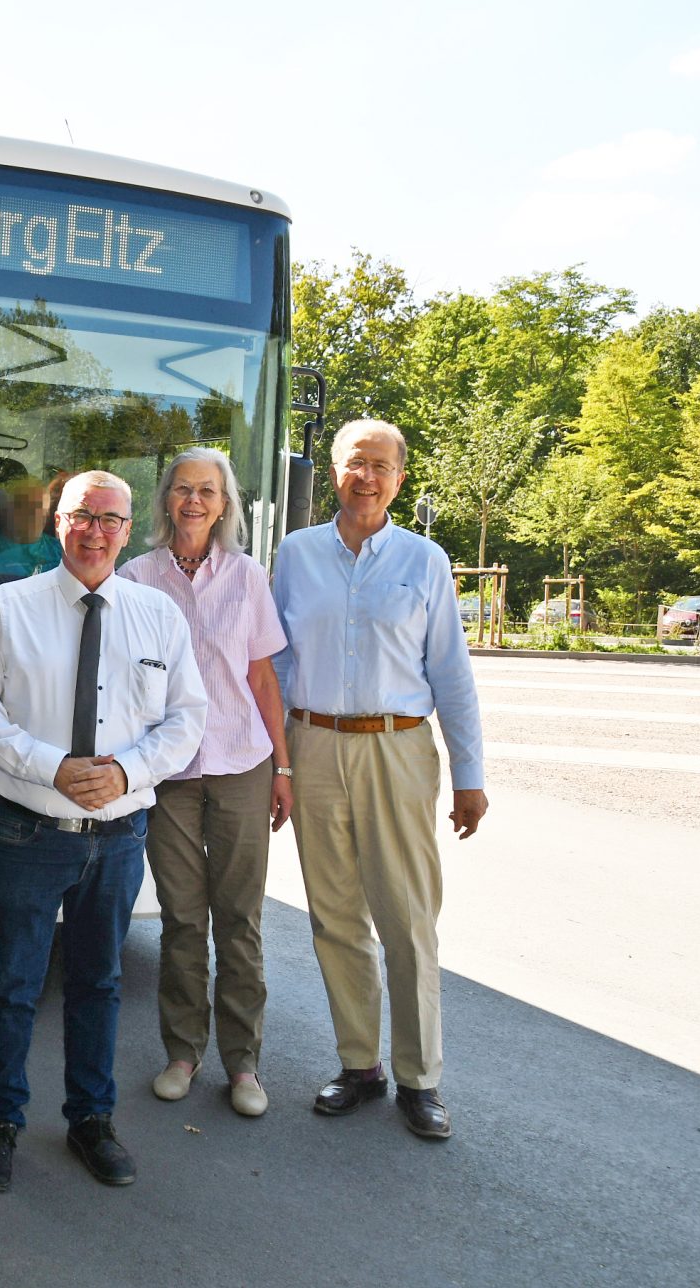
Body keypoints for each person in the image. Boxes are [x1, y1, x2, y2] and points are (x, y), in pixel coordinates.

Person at [0, 470, 206, 1192]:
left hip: (121, 835)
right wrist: (50, 766)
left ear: (129, 531)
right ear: (56, 525)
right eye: (81, 516)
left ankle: (91, 1120)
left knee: (100, 983)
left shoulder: (159, 617)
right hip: (30, 827)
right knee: (11, 984)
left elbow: (188, 717)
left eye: (110, 519)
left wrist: (127, 771)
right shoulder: (7, 607)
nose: (95, 531)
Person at [272, 418, 487, 1142]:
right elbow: (274, 666)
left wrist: (469, 774)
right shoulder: (295, 555)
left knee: (407, 918)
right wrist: (280, 760)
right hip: (315, 746)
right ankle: (359, 1065)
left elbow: (451, 673)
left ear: (401, 477)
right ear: (332, 472)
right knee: (334, 917)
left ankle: (420, 1078)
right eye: (354, 464)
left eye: (381, 466)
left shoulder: (425, 559)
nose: (366, 478)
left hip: (397, 749)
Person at [117, 447, 290, 1120]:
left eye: (208, 491)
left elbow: (262, 679)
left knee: (239, 921)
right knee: (183, 921)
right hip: (169, 775)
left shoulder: (247, 577)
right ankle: (183, 1052)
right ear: (166, 499)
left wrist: (283, 767)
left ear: (224, 505)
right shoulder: (136, 578)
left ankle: (244, 1063)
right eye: (183, 489)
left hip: (243, 764)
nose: (194, 500)